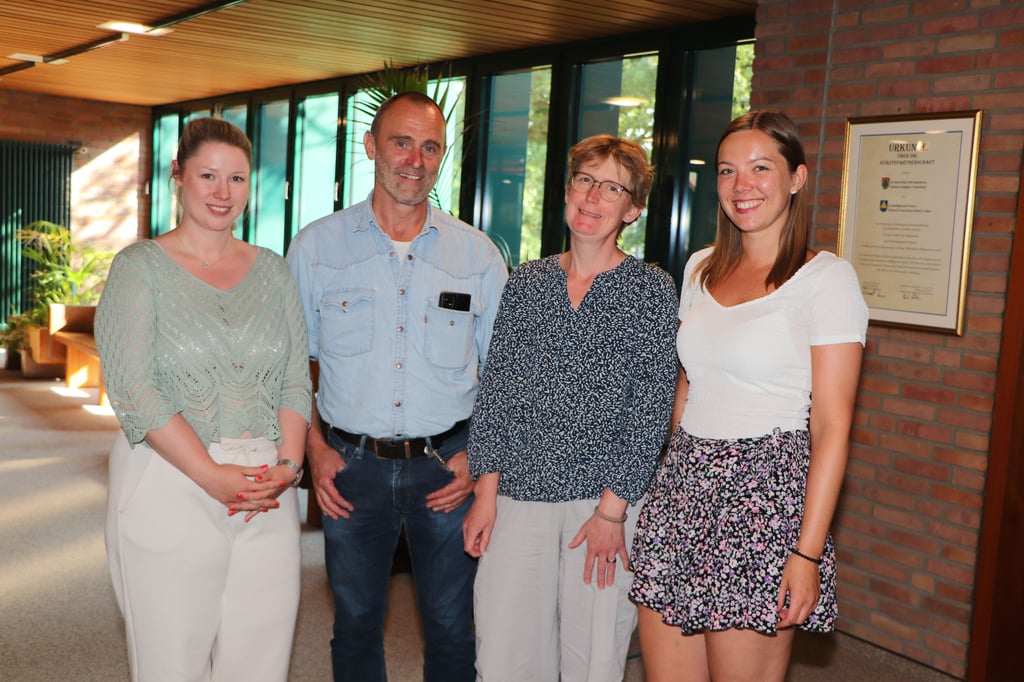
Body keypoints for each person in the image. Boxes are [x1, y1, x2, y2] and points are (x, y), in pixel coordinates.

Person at [628, 110, 869, 681]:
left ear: (796, 178)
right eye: (727, 170)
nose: (742, 185)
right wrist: (674, 473)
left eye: (761, 168)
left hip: (763, 498)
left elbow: (832, 428)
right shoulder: (700, 266)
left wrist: (807, 554)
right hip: (683, 489)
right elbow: (688, 383)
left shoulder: (827, 280)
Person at [286, 91, 508, 682]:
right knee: (356, 623)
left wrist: (479, 459)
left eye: (430, 147)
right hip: (350, 466)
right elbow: (290, 366)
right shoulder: (316, 249)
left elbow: (505, 378)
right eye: (401, 142)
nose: (415, 159)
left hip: (447, 468)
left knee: (452, 625)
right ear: (371, 147)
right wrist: (314, 449)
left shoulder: (478, 256)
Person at [95, 117, 312, 682]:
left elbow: (295, 379)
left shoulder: (273, 270)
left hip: (268, 484)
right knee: (171, 659)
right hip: (169, 473)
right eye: (208, 175)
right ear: (178, 176)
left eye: (236, 178)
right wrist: (211, 475)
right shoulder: (138, 268)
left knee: (260, 659)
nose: (223, 192)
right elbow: (134, 389)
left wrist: (288, 467)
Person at [463, 134, 679, 681]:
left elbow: (649, 410)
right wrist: (485, 494)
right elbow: (497, 393)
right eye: (585, 180)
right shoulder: (527, 282)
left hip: (600, 506)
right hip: (516, 496)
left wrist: (613, 512)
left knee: (592, 660)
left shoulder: (651, 290)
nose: (592, 196)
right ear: (566, 190)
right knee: (505, 655)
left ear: (632, 210)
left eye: (612, 188)